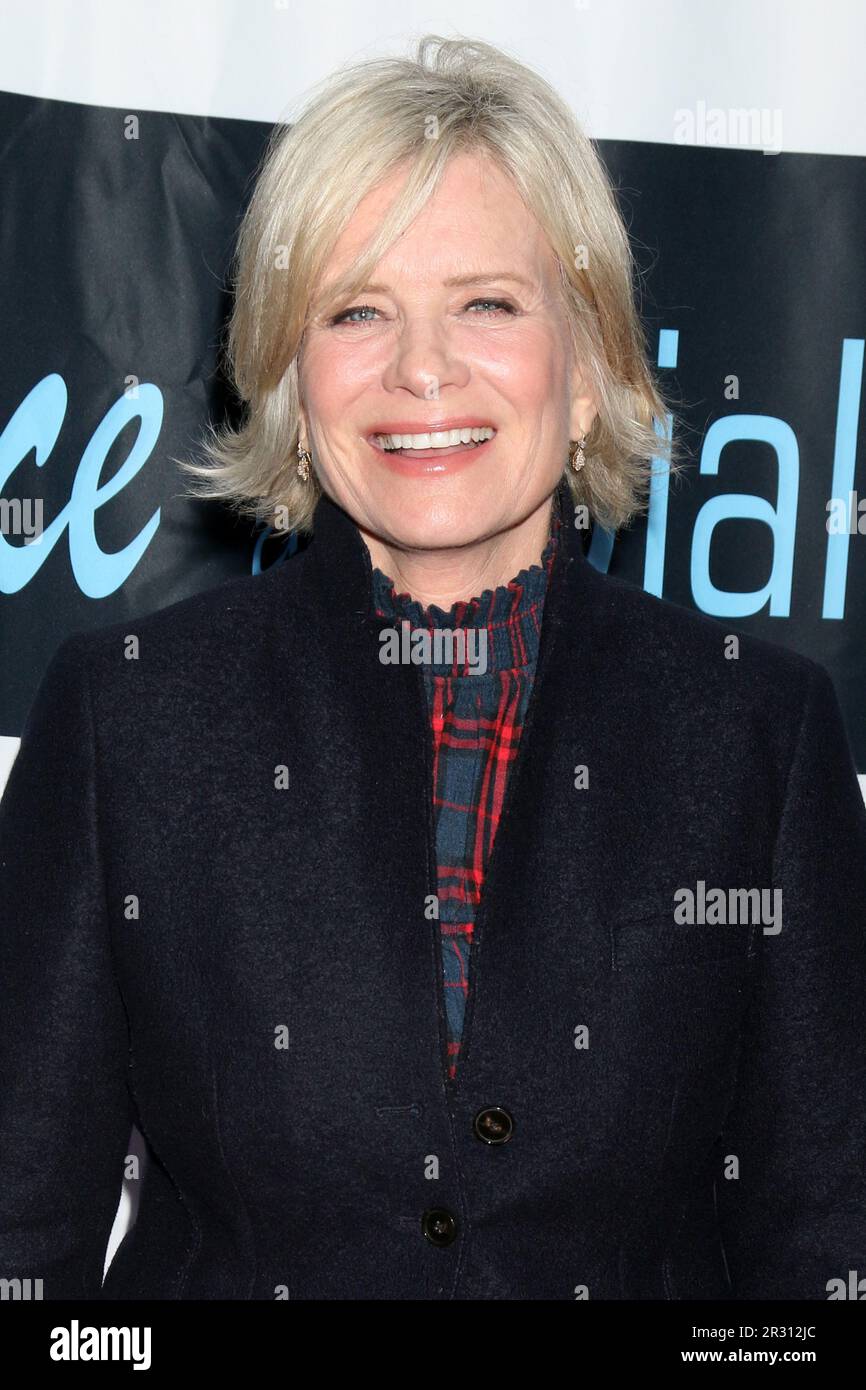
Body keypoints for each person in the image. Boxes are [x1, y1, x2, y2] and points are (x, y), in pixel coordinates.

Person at [2, 34, 865, 1301]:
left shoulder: (756, 732)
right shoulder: (126, 714)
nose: (421, 368)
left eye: (486, 303)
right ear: (293, 380)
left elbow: (822, 1243)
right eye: (357, 310)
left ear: (586, 370)